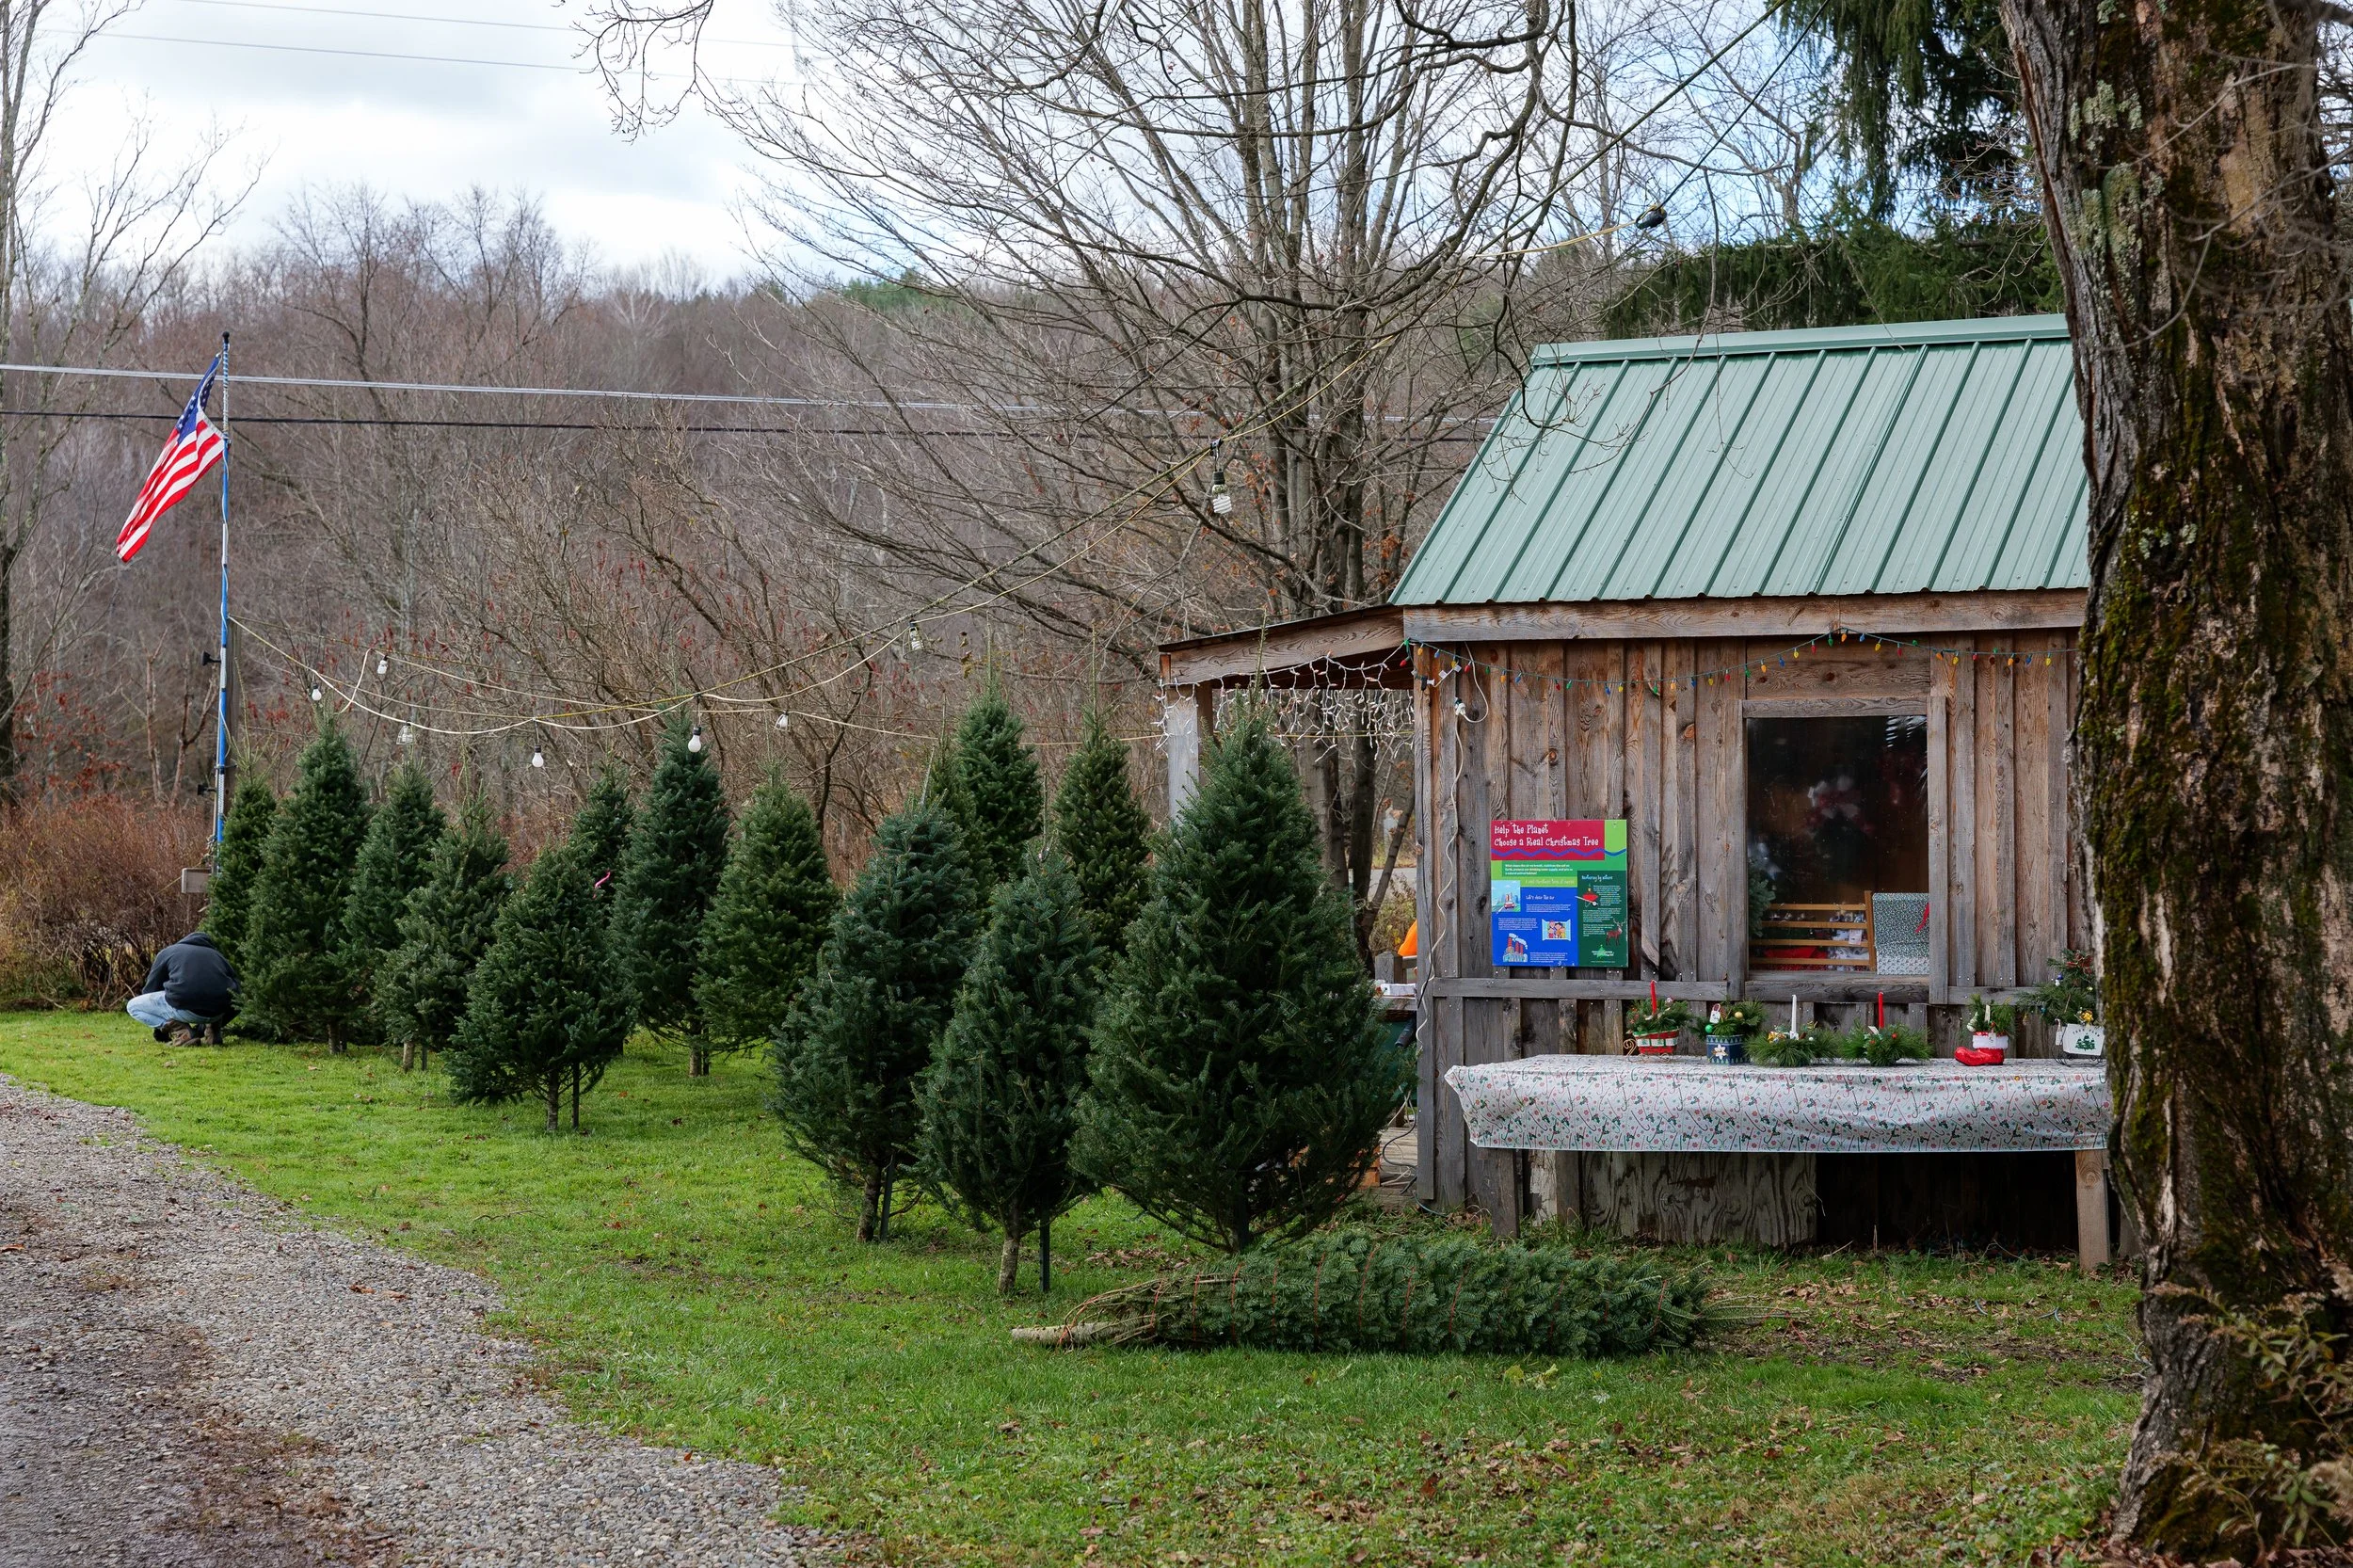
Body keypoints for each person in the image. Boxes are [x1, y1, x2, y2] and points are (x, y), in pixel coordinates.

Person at [126, 932, 238, 1046]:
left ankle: (181, 1032)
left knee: (133, 1006)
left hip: (185, 1008)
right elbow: (238, 996)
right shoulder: (219, 956)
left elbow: (151, 989)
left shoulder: (169, 952)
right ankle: (213, 1032)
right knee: (213, 992)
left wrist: (161, 1028)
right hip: (217, 1012)